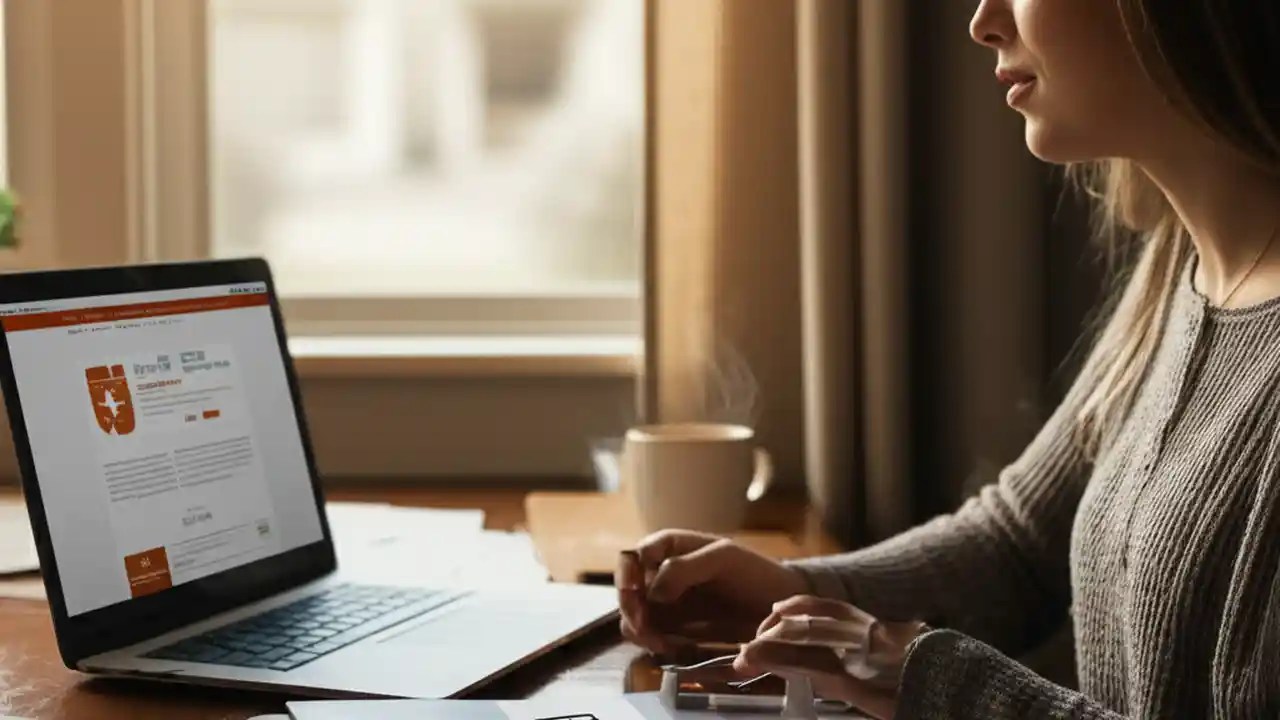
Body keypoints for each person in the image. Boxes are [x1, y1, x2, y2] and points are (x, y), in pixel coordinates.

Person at [616, 0, 1280, 717]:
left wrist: (933, 681)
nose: (984, 21)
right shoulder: (1182, 264)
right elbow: (1019, 548)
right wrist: (799, 593)